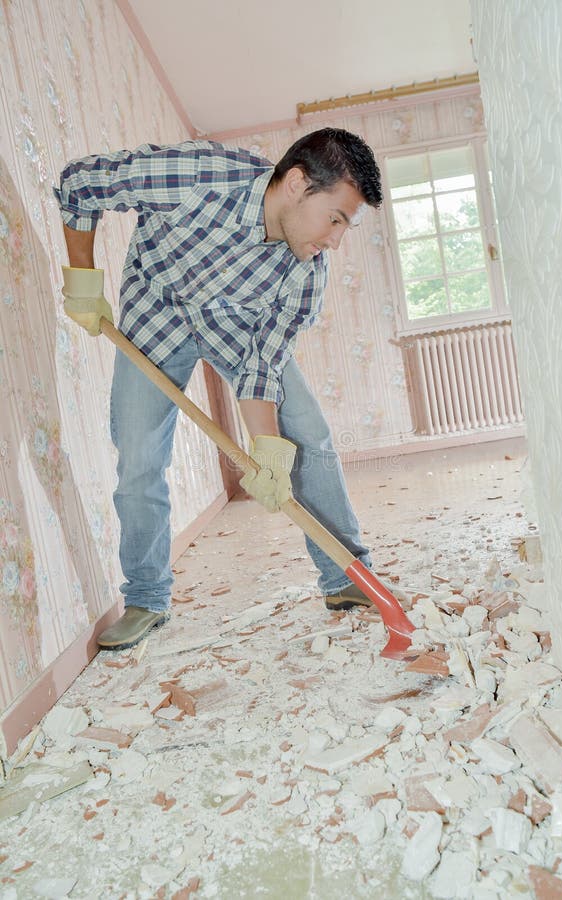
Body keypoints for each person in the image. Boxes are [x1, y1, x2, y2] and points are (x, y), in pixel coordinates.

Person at [55, 127, 391, 651]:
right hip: (154, 319)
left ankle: (346, 576)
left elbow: (263, 365)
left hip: (234, 332)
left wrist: (266, 449)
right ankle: (146, 596)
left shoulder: (305, 274)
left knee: (307, 434)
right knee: (139, 457)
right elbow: (80, 184)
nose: (335, 240)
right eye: (336, 219)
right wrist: (82, 279)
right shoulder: (197, 176)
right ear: (298, 183)